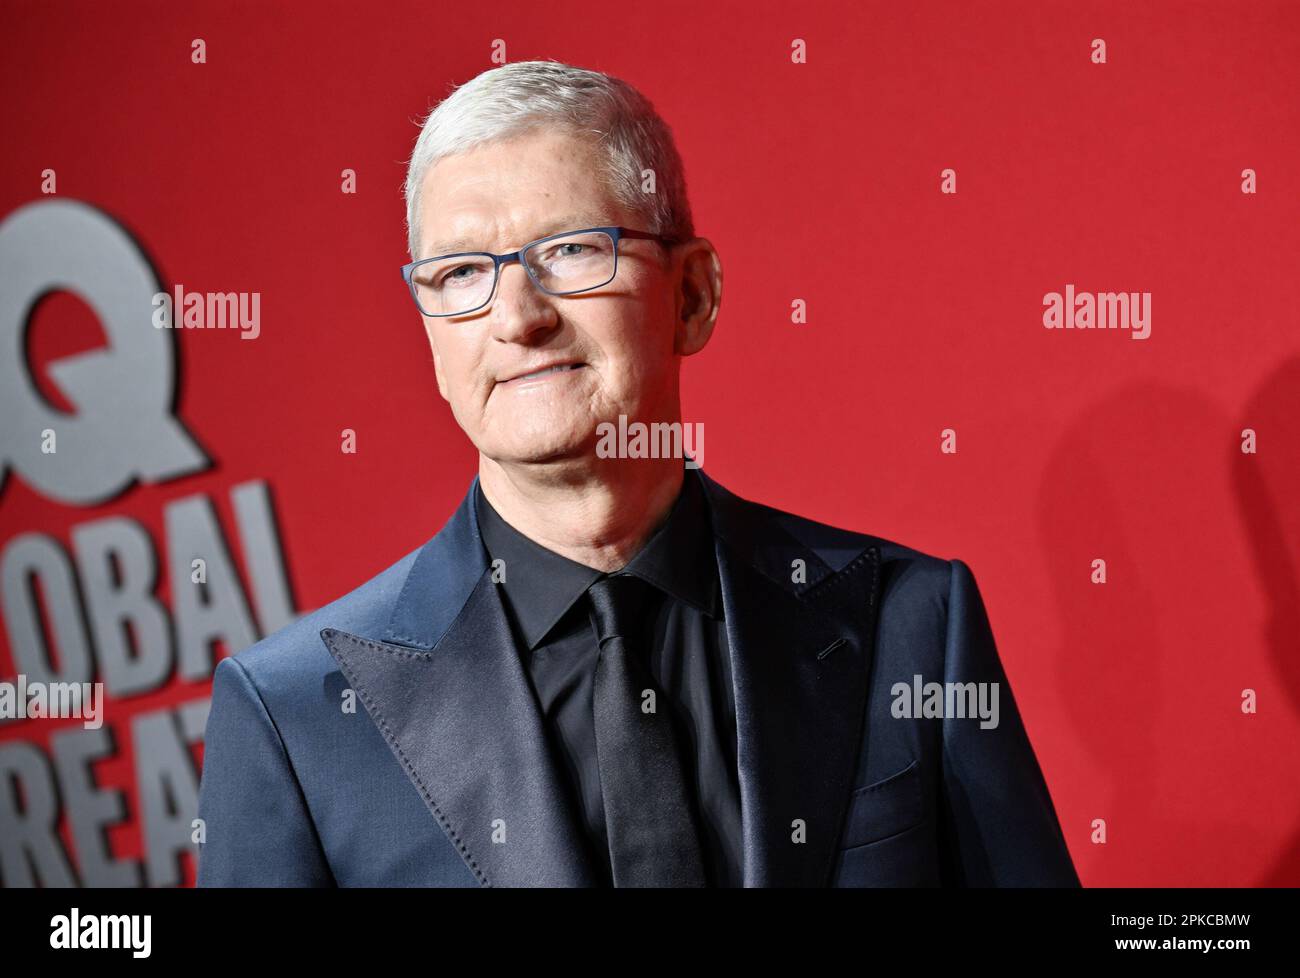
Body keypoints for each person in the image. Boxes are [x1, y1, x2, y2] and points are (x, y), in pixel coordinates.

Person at [196, 59, 1079, 888]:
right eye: (461, 272)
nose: (517, 317)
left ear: (691, 297)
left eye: (572, 252)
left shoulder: (913, 624)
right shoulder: (295, 716)